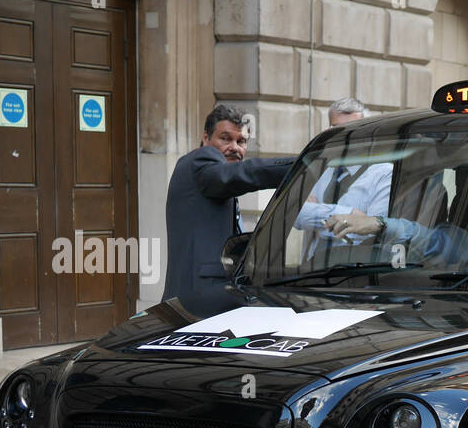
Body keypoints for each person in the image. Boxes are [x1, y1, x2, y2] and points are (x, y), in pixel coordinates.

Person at [163, 103, 294, 310]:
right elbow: (239, 175)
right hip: (197, 301)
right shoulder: (200, 161)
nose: (235, 147)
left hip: (211, 299)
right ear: (206, 139)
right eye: (225, 138)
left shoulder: (216, 179)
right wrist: (299, 165)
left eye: (241, 141)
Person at [295, 98, 393, 261]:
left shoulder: (384, 173)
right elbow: (295, 215)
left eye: (354, 129)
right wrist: (348, 214)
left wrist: (315, 212)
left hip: (351, 274)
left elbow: (372, 233)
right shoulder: (320, 168)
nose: (345, 136)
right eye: (337, 129)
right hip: (310, 273)